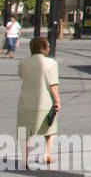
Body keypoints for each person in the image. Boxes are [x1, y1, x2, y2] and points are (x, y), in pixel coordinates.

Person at [16, 36, 60, 164]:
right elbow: (53, 85)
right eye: (47, 46)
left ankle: (24, 158)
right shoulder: (51, 63)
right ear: (42, 49)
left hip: (25, 102)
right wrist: (57, 101)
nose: (49, 48)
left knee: (24, 132)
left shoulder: (23, 62)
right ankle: (46, 154)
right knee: (49, 130)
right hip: (44, 103)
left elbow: (21, 75)